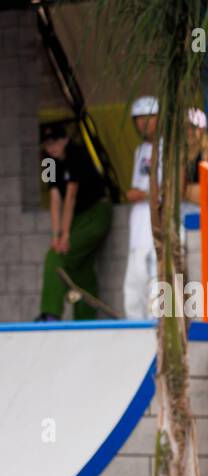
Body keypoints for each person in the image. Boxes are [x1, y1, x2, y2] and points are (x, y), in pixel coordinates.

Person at [35, 120, 112, 321]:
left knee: (58, 255)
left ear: (66, 140)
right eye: (47, 144)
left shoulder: (76, 154)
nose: (51, 148)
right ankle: (85, 318)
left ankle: (50, 313)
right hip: (76, 217)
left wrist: (65, 235)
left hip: (96, 212)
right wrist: (55, 234)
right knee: (79, 265)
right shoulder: (47, 162)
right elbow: (54, 197)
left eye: (55, 142)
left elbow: (70, 196)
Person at [122, 96, 159, 318]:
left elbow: (171, 189)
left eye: (149, 117)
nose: (144, 123)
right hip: (138, 229)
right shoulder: (140, 150)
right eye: (139, 119)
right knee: (133, 289)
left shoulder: (169, 147)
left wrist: (143, 194)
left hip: (155, 227)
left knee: (156, 284)